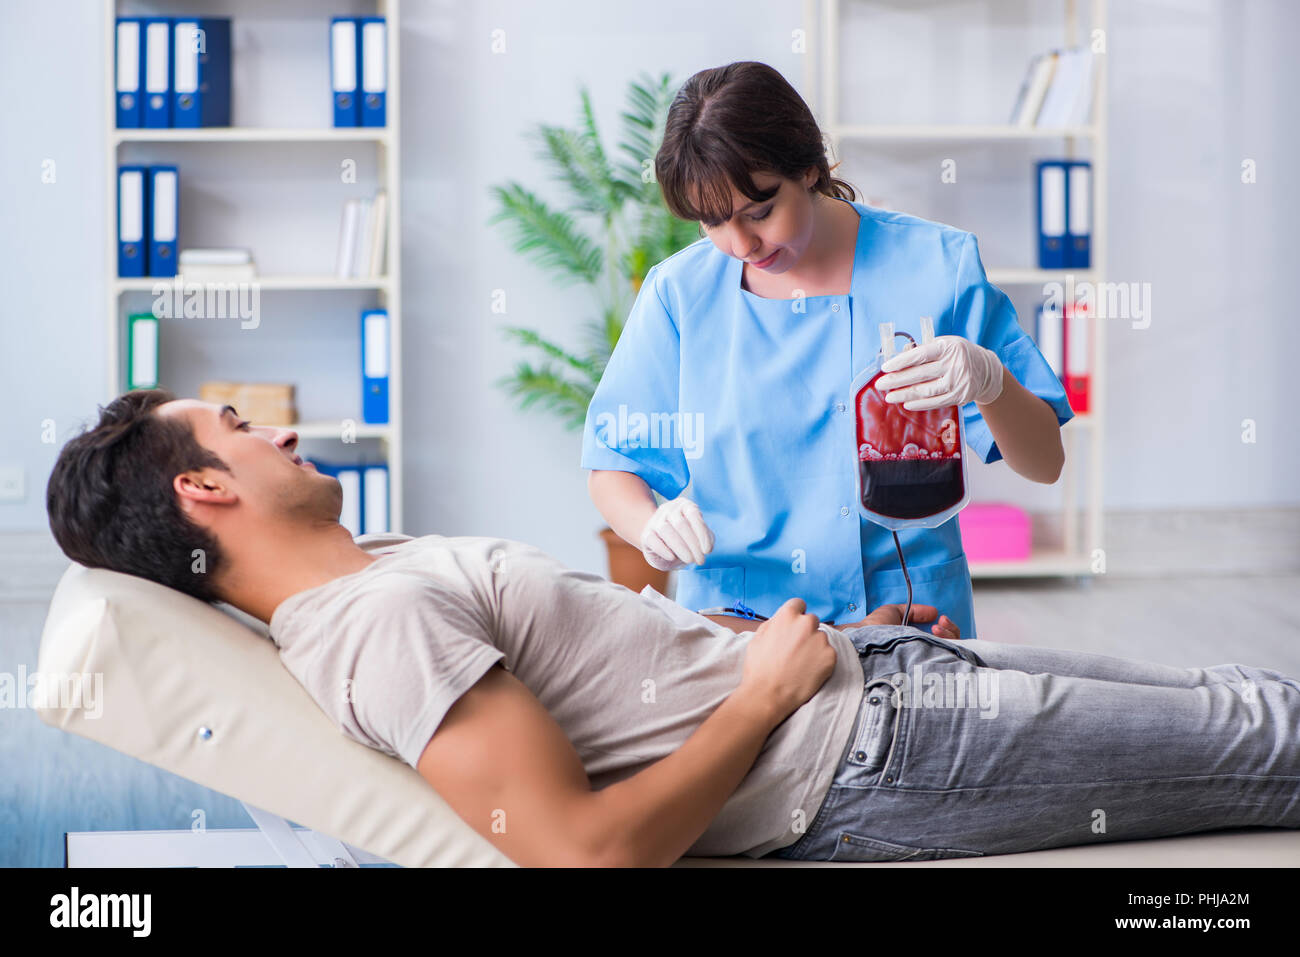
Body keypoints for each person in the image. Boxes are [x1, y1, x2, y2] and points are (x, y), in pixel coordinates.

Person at [45, 391, 1300, 866]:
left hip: (871, 681)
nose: (272, 427)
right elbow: (582, 857)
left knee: (1244, 696)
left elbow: (622, 680)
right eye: (235, 427)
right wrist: (761, 696)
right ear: (201, 491)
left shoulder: (381, 566)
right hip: (861, 757)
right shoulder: (373, 625)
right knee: (1264, 740)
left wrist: (829, 639)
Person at [583, 61, 1073, 640]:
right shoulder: (679, 294)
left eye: (760, 211)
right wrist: (650, 525)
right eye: (711, 223)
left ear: (810, 167)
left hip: (910, 618)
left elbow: (1045, 464)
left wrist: (993, 383)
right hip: (740, 625)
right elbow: (614, 463)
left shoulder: (937, 265)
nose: (740, 244)